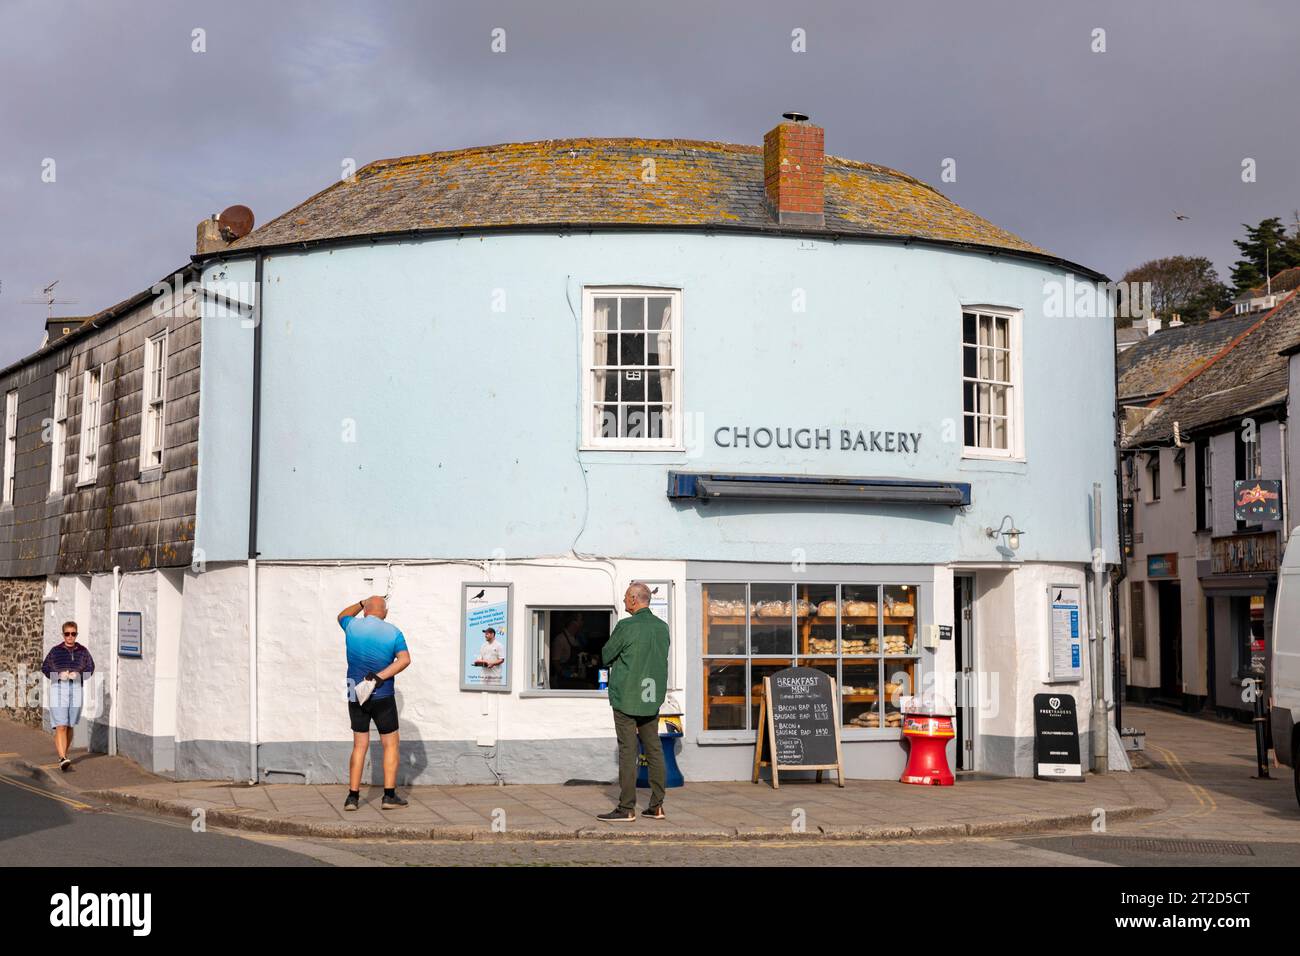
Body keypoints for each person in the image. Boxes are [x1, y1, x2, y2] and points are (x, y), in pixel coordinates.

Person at [597, 582, 670, 822]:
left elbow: (607, 654)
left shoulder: (625, 626)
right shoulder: (662, 627)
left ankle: (626, 808)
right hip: (651, 696)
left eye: (627, 598)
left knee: (629, 752)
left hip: (627, 696)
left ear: (634, 600)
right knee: (654, 749)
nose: (626, 601)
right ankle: (657, 806)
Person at [337, 596, 411, 810]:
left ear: (366, 610)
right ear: (384, 612)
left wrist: (361, 603)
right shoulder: (394, 632)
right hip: (382, 693)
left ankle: (352, 797)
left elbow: (341, 615)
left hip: (354, 692)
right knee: (390, 744)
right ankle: (389, 796)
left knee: (359, 745)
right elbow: (405, 659)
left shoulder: (351, 625)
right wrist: (379, 677)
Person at [40, 621, 95, 772]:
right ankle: (63, 758)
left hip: (76, 687)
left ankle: (64, 755)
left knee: (70, 724)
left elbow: (91, 668)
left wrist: (79, 675)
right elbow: (44, 668)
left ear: (76, 634)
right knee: (61, 725)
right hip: (59, 687)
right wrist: (58, 675)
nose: (70, 636)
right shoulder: (55, 651)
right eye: (67, 633)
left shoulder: (83, 651)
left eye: (73, 633)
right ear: (63, 634)